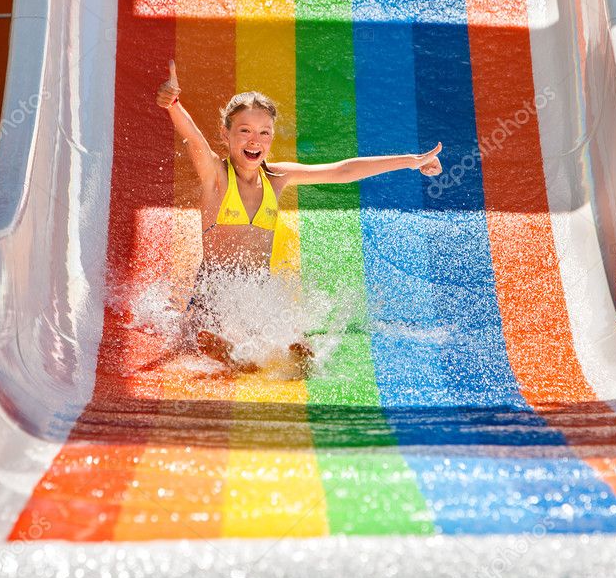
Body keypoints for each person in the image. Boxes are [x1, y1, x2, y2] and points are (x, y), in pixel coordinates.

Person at [155, 60, 442, 375]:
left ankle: (274, 353)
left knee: (290, 337)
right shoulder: (217, 178)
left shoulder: (276, 178)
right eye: (245, 131)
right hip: (213, 289)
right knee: (207, 329)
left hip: (257, 291)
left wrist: (410, 162)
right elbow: (194, 139)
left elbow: (342, 170)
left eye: (264, 132)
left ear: (272, 137)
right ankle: (228, 351)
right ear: (226, 135)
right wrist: (173, 105)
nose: (255, 140)